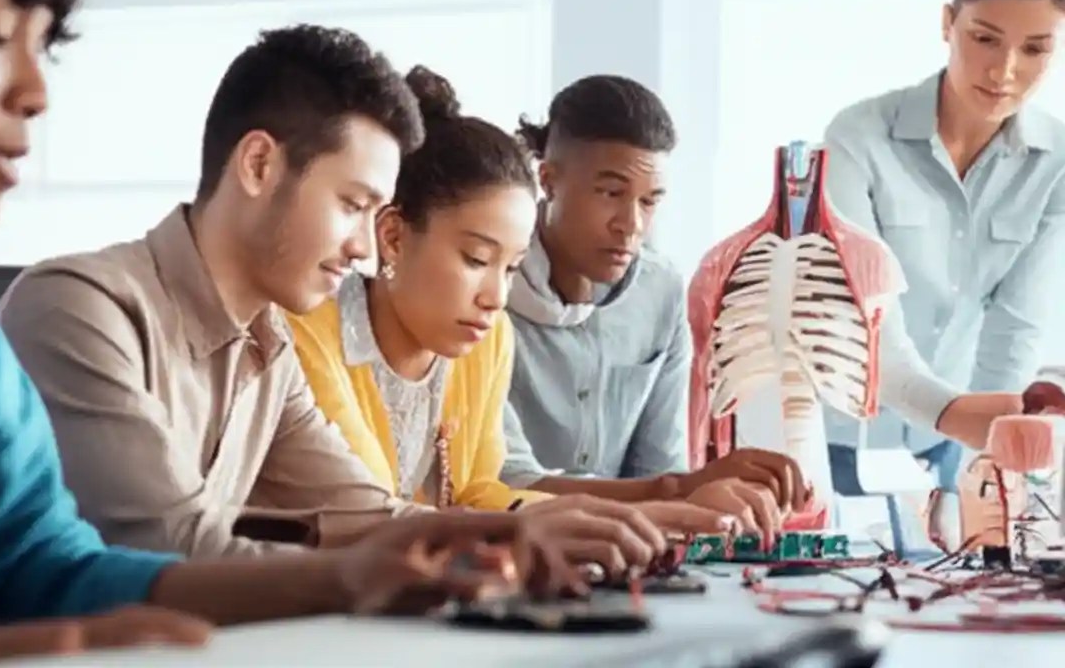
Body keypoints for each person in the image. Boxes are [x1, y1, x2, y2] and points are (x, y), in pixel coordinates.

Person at [0, 0, 642, 665]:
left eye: (42, 50)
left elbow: (52, 568)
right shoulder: (72, 307)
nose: (35, 93)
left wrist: (469, 542)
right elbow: (155, 549)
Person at [0, 21, 670, 558]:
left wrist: (519, 535)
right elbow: (172, 544)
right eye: (352, 205)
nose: (362, 246)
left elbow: (366, 513)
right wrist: (381, 574)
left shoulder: (269, 349)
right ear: (259, 164)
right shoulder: (82, 309)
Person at [288, 66, 803, 538]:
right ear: (394, 237)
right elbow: (369, 513)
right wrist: (661, 507)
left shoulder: (485, 341)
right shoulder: (310, 332)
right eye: (475, 258)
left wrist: (672, 509)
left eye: (511, 267)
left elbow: (483, 494)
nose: (495, 298)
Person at [496, 75, 810, 530]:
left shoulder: (660, 294)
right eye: (610, 193)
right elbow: (502, 483)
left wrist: (710, 496)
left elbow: (658, 466)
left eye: (649, 201)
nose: (631, 224)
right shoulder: (485, 295)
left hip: (629, 546)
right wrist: (680, 489)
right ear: (549, 180)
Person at [821, 0, 1064, 512]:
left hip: (948, 445)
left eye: (1035, 49)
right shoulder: (859, 138)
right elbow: (861, 315)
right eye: (985, 38)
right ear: (947, 23)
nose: (1005, 71)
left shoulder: (1054, 164)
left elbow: (1016, 326)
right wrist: (951, 412)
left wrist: (993, 445)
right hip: (840, 440)